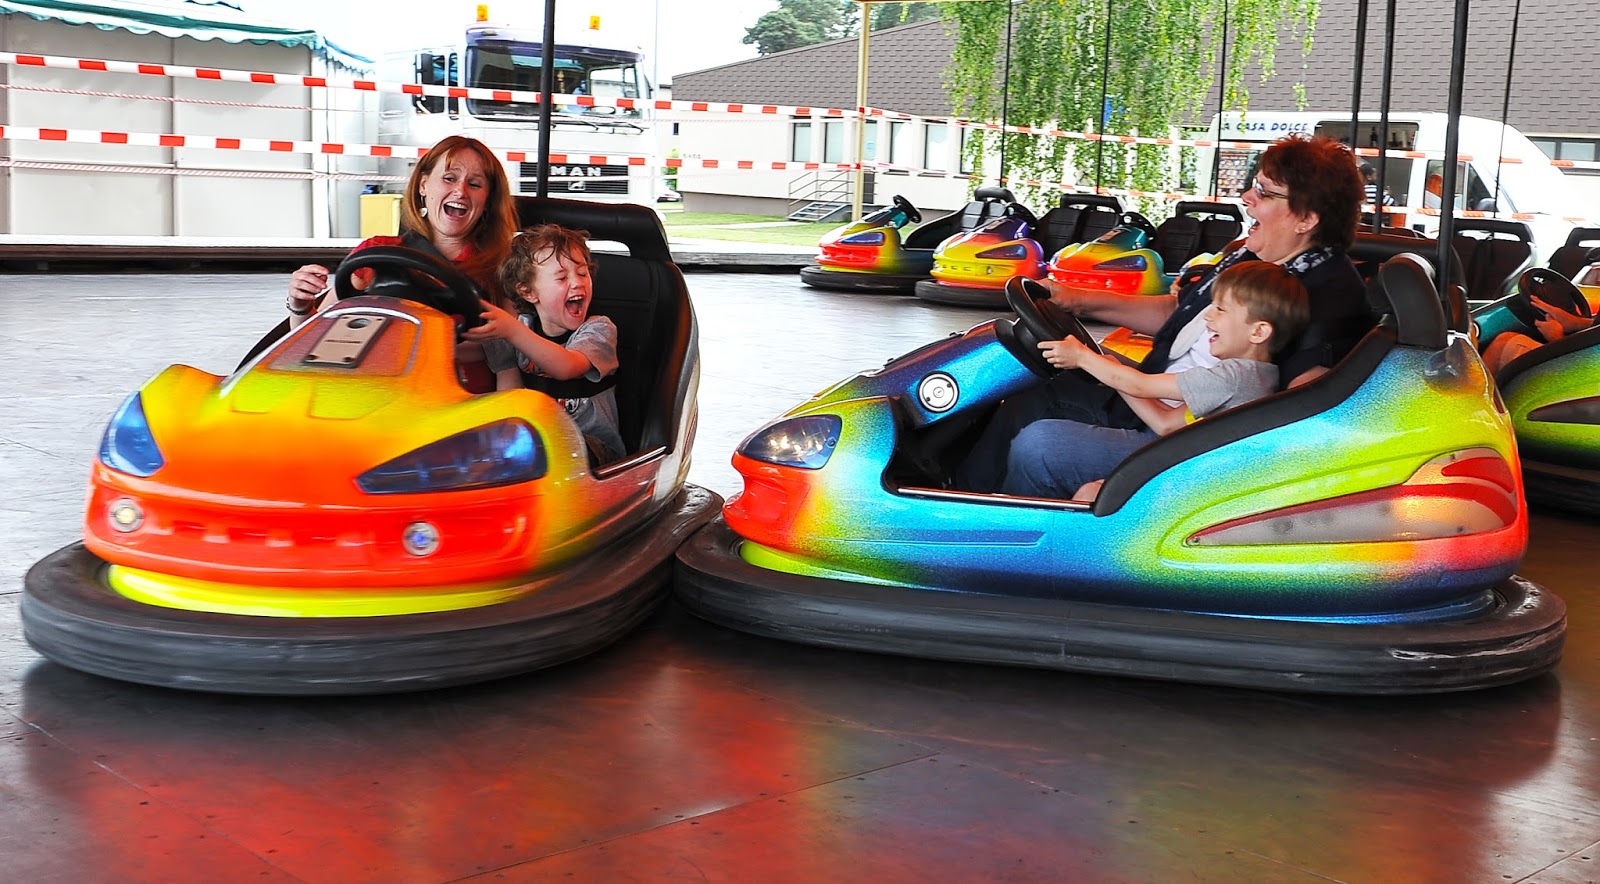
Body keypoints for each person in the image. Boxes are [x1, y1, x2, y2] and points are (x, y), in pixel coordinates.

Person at [955, 133, 1371, 496]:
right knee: (1025, 387)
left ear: (1305, 219)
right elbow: (1179, 314)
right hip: (1156, 399)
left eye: (1264, 192)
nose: (1247, 198)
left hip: (1189, 444)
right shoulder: (1253, 257)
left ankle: (1007, 551)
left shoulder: (1327, 295)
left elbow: (1305, 406)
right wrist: (1073, 299)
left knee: (1039, 444)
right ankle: (958, 506)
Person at [1014, 262, 1310, 501]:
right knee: (1088, 492)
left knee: (1038, 443)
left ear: (1258, 332)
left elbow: (1142, 386)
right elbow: (1165, 423)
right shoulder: (1257, 377)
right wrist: (1110, 367)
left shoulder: (1234, 377)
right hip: (1180, 461)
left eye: (1221, 309)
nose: (1207, 317)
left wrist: (1083, 358)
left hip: (1183, 477)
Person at [283, 136, 519, 387]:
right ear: (423, 185)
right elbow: (314, 337)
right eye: (449, 178)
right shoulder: (378, 251)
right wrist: (300, 304)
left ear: (487, 201)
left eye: (474, 184)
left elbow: (506, 348)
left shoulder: (501, 265)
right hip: (375, 388)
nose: (460, 191)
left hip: (459, 397)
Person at [466, 224, 625, 463]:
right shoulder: (520, 329)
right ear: (529, 292)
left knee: (543, 454)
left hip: (592, 446)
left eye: (582, 273)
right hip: (534, 439)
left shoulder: (599, 331)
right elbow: (510, 397)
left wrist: (511, 330)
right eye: (562, 277)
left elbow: (566, 367)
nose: (577, 282)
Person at [1482, 296, 1593, 375]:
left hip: (1583, 373)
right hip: (1587, 362)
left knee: (1503, 343)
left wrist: (1556, 337)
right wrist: (1577, 323)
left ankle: (1472, 399)